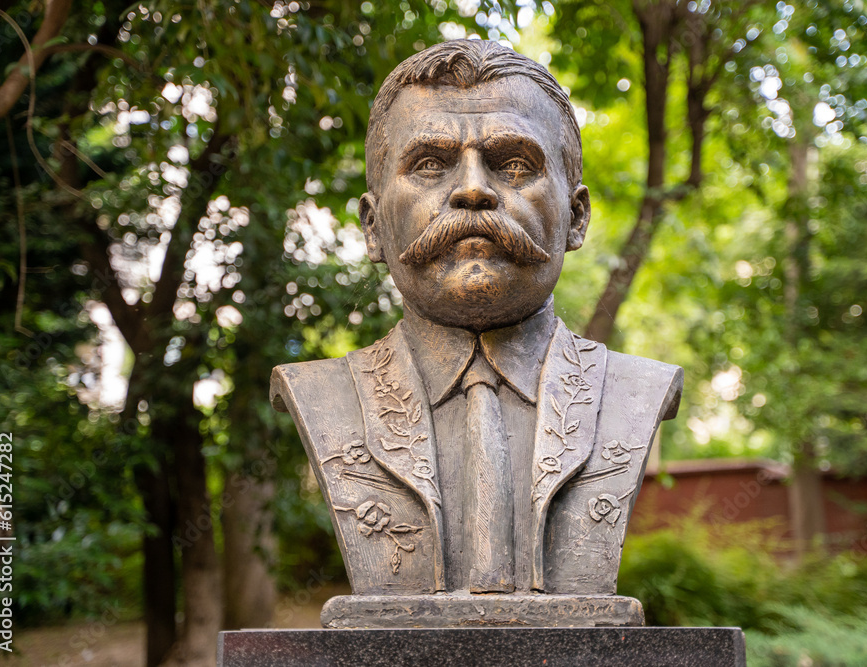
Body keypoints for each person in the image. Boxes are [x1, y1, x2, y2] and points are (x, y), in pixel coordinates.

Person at [271, 40, 682, 623]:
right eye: (429, 165)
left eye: (515, 165)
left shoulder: (636, 394)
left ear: (576, 217)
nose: (472, 190)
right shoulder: (319, 398)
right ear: (372, 227)